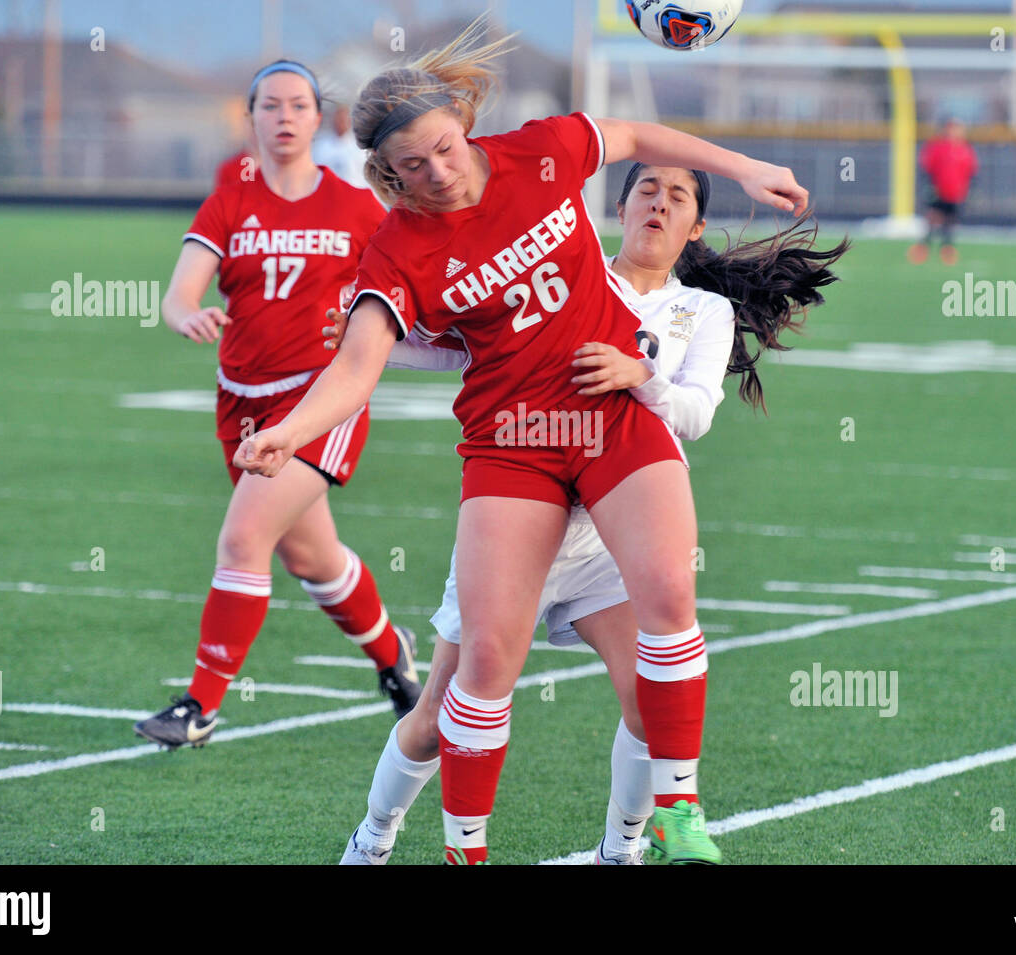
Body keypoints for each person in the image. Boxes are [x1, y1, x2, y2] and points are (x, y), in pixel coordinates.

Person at [233, 22, 809, 864]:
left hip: (609, 429)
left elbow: (640, 136)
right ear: (387, 176)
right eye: (410, 167)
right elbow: (358, 365)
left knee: (669, 598)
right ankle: (451, 848)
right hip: (514, 445)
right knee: (478, 674)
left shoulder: (540, 155)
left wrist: (745, 168)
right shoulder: (396, 249)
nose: (436, 171)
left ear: (462, 123)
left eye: (441, 148)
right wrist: (286, 431)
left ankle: (672, 817)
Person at [336, 164, 849, 865]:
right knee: (434, 718)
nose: (659, 204)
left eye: (678, 198)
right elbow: (464, 345)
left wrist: (645, 377)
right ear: (619, 204)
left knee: (648, 702)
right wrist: (367, 334)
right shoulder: (568, 271)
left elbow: (695, 413)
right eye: (647, 189)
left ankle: (625, 847)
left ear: (695, 227)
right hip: (517, 510)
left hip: (613, 532)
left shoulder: (702, 311)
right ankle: (373, 839)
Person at [133, 60, 422, 750]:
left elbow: (406, 283)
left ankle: (199, 706)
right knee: (314, 559)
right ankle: (394, 659)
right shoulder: (231, 195)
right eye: (271, 105)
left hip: (321, 401)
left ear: (321, 118)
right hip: (243, 403)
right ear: (251, 116)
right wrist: (185, 315)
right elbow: (179, 293)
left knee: (242, 539)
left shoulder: (355, 205)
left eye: (299, 105)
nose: (285, 117)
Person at [909, 117, 977, 266]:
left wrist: (968, 189)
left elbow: (971, 171)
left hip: (956, 192)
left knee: (951, 220)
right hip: (939, 190)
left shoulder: (965, 149)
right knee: (934, 218)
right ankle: (922, 247)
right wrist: (929, 185)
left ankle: (947, 249)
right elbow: (927, 167)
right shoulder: (938, 147)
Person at [312, 102, 370, 190]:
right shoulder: (321, 146)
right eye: (338, 119)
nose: (340, 122)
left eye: (343, 119)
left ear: (350, 121)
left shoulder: (360, 147)